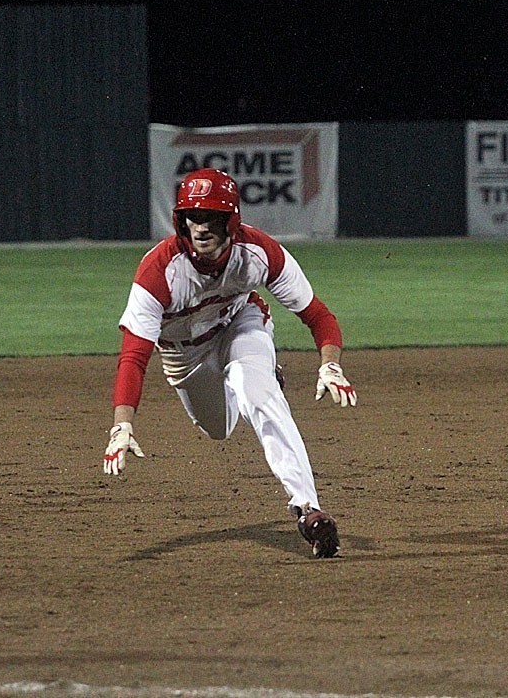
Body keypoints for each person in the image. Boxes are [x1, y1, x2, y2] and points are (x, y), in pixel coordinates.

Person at [102, 168, 357, 558]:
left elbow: (318, 315)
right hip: (182, 354)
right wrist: (122, 424)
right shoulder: (159, 272)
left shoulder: (258, 253)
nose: (200, 227)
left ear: (231, 220)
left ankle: (308, 509)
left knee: (257, 393)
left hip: (239, 324)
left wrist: (330, 364)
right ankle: (255, 376)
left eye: (211, 217)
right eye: (193, 216)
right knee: (220, 428)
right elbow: (134, 356)